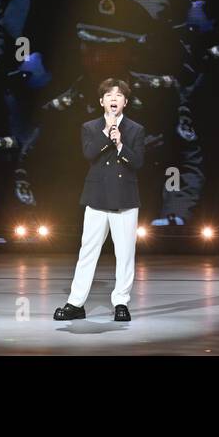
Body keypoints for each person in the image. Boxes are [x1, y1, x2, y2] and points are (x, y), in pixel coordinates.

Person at [54, 78, 145, 323]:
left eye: (118, 96)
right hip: (96, 198)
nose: (113, 99)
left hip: (125, 199)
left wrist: (120, 144)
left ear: (125, 102)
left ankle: (121, 303)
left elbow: (137, 162)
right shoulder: (91, 127)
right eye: (109, 95)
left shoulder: (136, 129)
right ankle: (75, 303)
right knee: (88, 251)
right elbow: (89, 153)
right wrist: (107, 134)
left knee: (125, 253)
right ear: (101, 101)